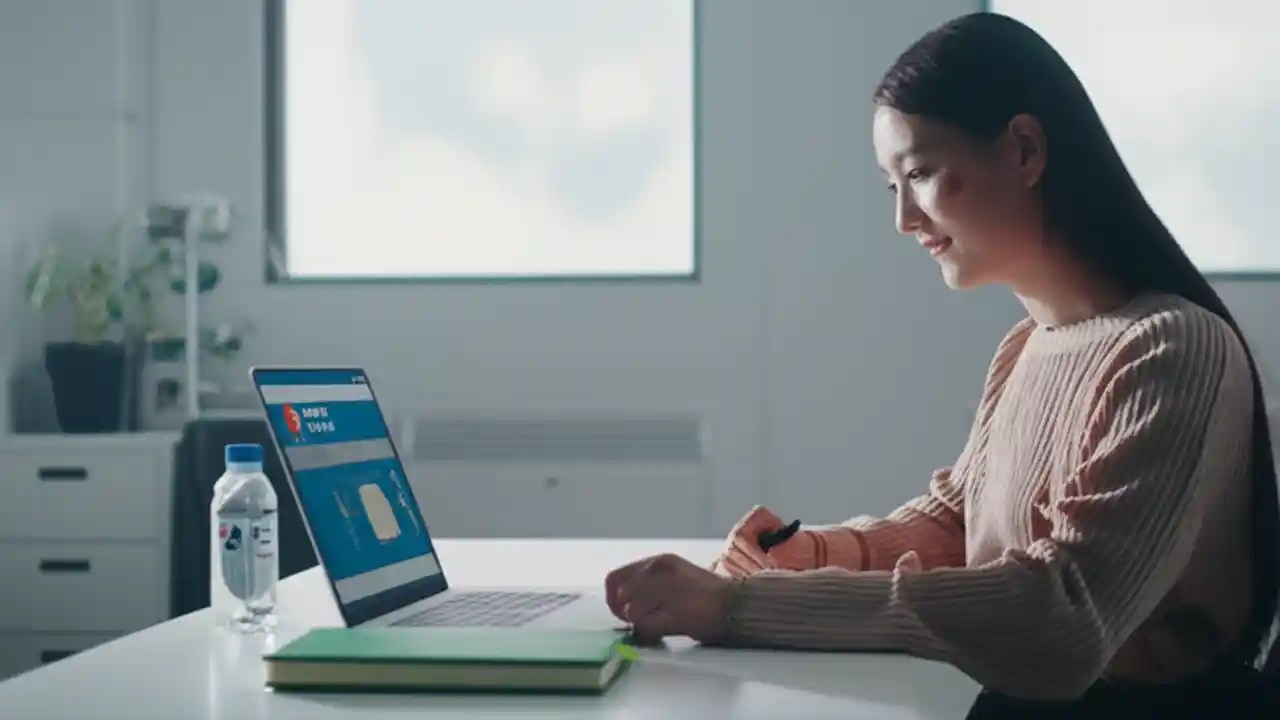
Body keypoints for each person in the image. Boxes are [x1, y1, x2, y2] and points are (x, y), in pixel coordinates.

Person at [603, 11, 1280, 716]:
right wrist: (811, 554)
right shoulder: (1025, 348)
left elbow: (1063, 619)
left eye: (920, 173)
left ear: (1024, 150)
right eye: (890, 185)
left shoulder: (1174, 348)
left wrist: (743, 605)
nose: (903, 218)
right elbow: (960, 528)